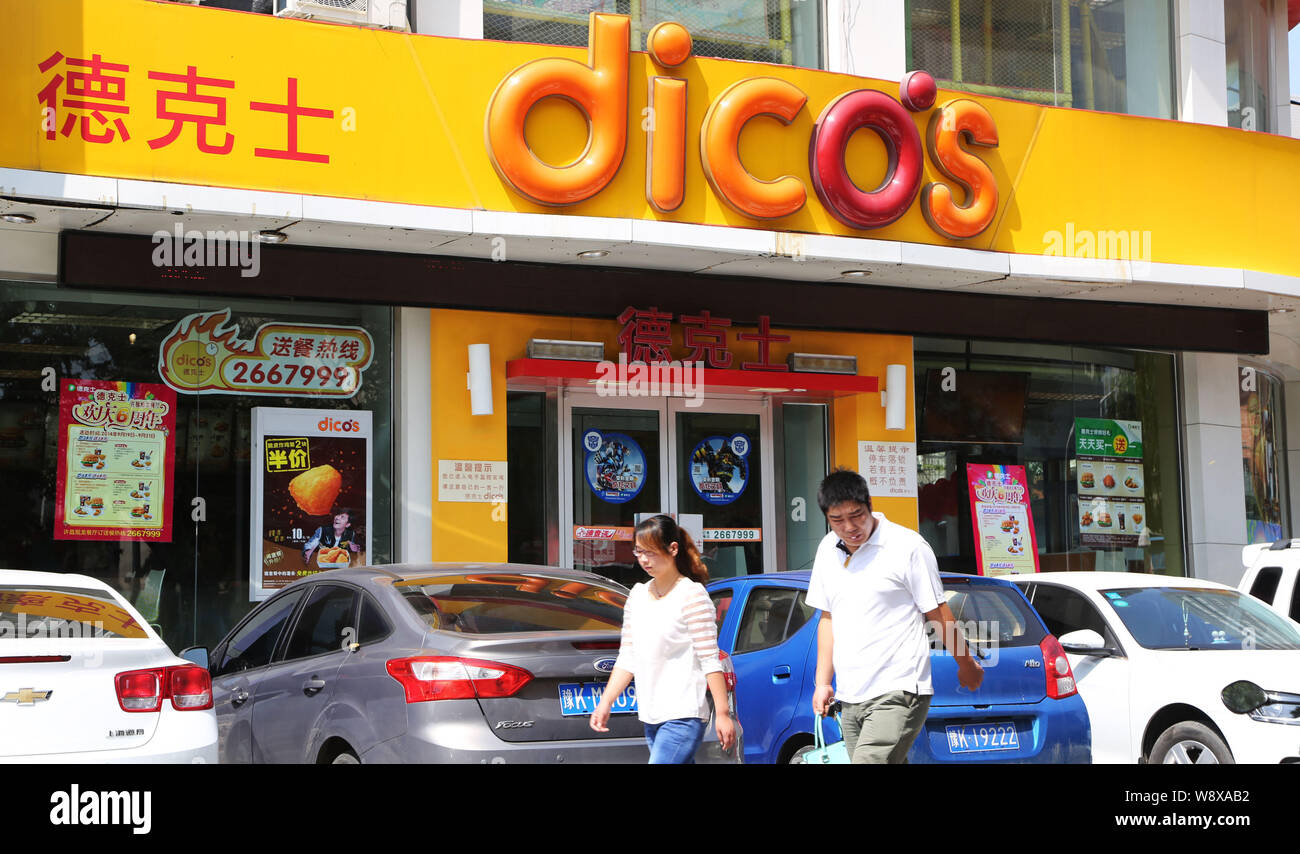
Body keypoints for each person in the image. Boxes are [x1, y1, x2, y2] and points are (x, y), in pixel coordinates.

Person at [808, 469, 983, 764]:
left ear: (870, 505)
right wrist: (822, 683)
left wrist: (966, 664)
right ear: (827, 517)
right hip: (850, 694)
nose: (850, 527)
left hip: (899, 688)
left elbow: (938, 612)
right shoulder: (827, 550)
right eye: (837, 520)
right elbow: (828, 617)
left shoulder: (908, 547)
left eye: (857, 515)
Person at [589, 515, 737, 763]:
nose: (644, 559)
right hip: (651, 714)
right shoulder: (637, 596)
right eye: (639, 552)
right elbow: (628, 658)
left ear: (673, 549)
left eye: (651, 552)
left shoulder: (692, 595)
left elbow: (710, 658)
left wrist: (722, 713)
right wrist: (606, 702)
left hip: (684, 713)